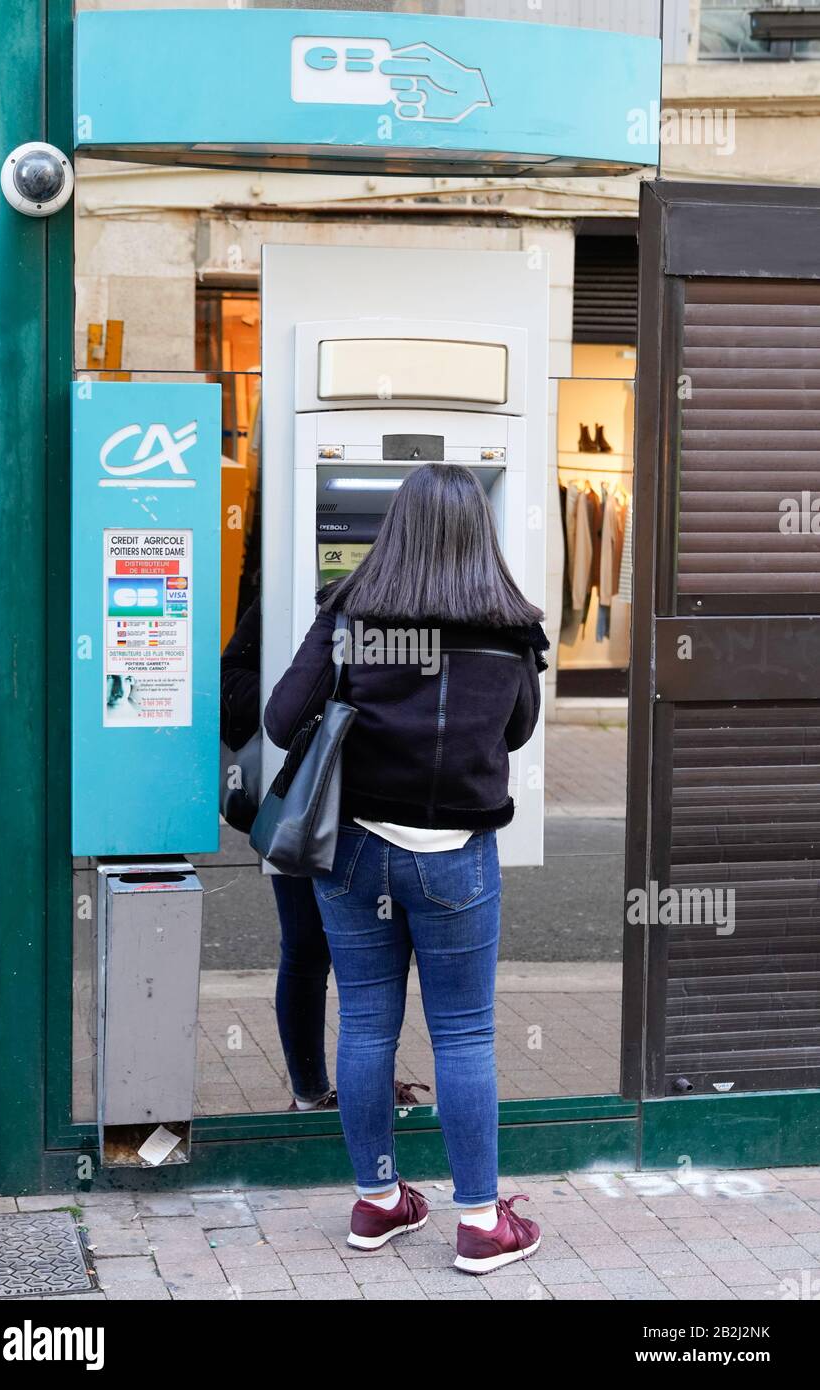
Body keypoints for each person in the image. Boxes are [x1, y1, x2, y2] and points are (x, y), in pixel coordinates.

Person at [263, 463, 549, 1275]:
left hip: (353, 850)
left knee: (364, 1024)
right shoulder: (513, 627)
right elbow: (516, 732)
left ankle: (378, 1201)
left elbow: (282, 721)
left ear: (395, 528)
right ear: (479, 532)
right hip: (457, 857)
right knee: (463, 1032)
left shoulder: (350, 613)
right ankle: (481, 1221)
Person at [222, 595, 432, 1113]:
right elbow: (231, 681)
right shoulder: (290, 590)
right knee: (306, 947)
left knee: (383, 955)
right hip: (309, 800)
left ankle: (366, 1087)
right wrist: (308, 691)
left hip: (385, 802)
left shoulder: (421, 594)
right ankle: (310, 1092)